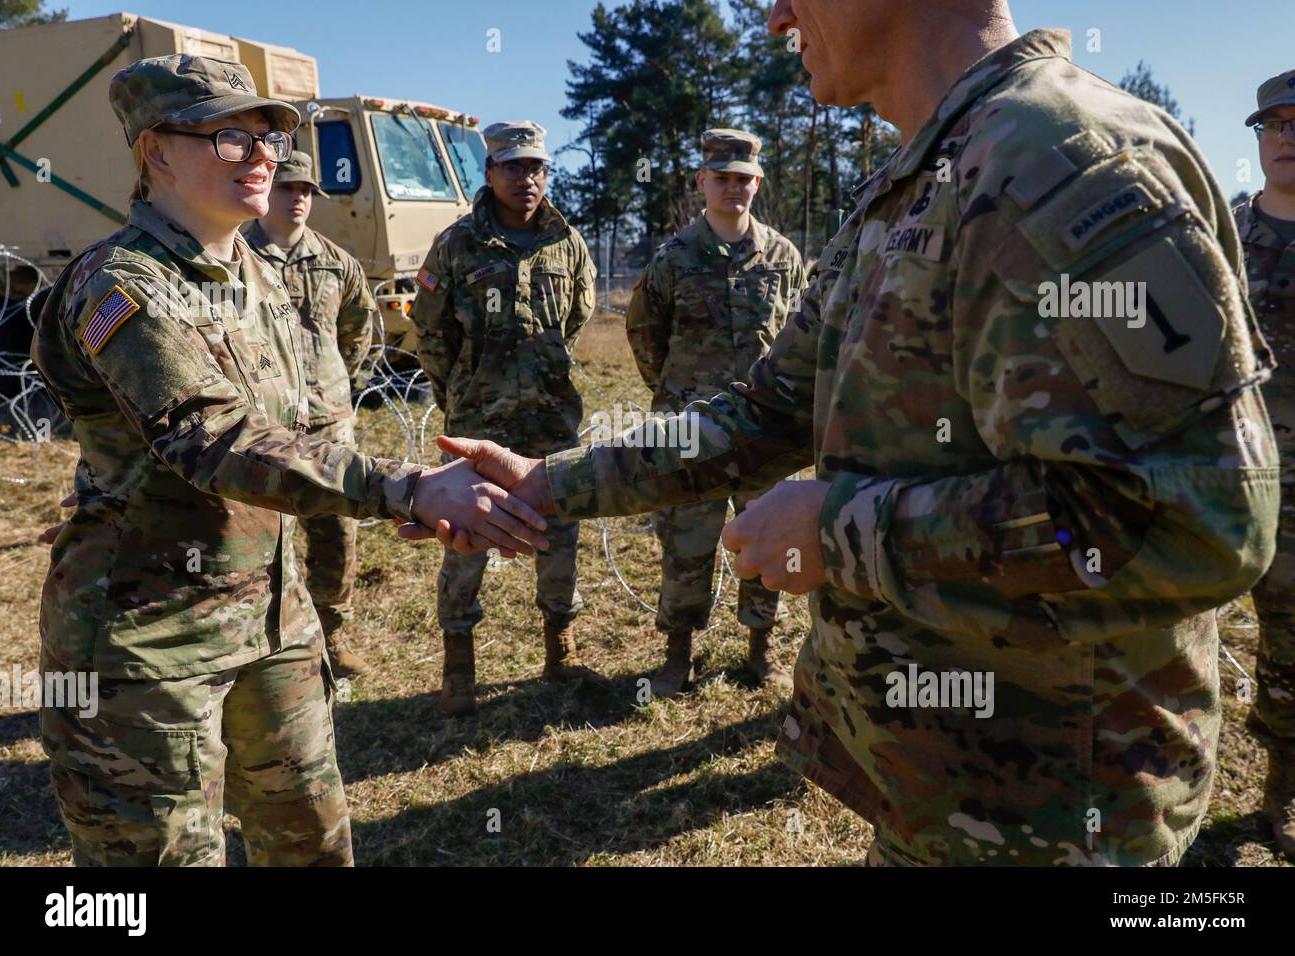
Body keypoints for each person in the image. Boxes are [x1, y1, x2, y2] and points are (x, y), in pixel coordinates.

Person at [431, 2, 1280, 866]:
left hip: (1062, 811)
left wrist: (842, 531)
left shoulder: (1067, 161)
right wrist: (550, 482)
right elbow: (764, 414)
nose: (775, 18)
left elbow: (1196, 519)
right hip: (938, 786)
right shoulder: (919, 179)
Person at [31, 54, 548, 866]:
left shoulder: (259, 278)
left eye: (271, 133)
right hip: (146, 640)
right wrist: (405, 489)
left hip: (272, 614)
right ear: (157, 152)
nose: (266, 154)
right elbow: (212, 439)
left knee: (310, 842)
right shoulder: (123, 283)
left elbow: (300, 422)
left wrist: (409, 494)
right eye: (231, 137)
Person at [409, 120, 605, 717]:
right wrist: (461, 392)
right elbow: (431, 331)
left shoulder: (566, 242)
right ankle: (459, 666)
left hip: (550, 422)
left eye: (537, 167)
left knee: (560, 537)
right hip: (479, 425)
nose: (528, 178)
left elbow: (576, 317)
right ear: (489, 173)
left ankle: (559, 648)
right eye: (514, 167)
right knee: (465, 539)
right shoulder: (457, 243)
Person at [626, 128, 805, 697]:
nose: (734, 187)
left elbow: (799, 335)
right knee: (687, 540)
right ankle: (678, 654)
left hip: (765, 427)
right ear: (702, 181)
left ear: (758, 182)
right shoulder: (673, 258)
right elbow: (644, 334)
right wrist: (676, 393)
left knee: (767, 535)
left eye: (744, 178)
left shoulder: (783, 256)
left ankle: (762, 649)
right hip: (691, 428)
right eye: (722, 177)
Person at [245, 150, 376, 679]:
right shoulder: (236, 257)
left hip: (328, 422)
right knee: (262, 534)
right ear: (268, 188)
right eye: (289, 187)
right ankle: (264, 645)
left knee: (335, 533)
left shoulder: (336, 262)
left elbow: (357, 333)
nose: (299, 198)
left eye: (307, 191)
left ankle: (334, 636)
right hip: (262, 424)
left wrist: (335, 388)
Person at [1234, 69, 1295, 861]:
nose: (1287, 136)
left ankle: (1282, 788)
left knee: (1289, 645)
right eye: (1273, 124)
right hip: (1218, 473)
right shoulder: (1219, 236)